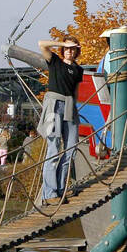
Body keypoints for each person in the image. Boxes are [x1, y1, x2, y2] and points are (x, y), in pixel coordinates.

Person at [37, 36, 85, 202]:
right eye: (67, 49)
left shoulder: (79, 70)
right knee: (54, 147)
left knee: (71, 148)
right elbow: (41, 44)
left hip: (70, 106)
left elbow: (76, 92)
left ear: (76, 51)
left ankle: (61, 188)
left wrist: (75, 109)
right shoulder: (55, 61)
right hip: (55, 105)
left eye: (72, 48)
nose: (69, 51)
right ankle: (50, 193)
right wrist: (62, 43)